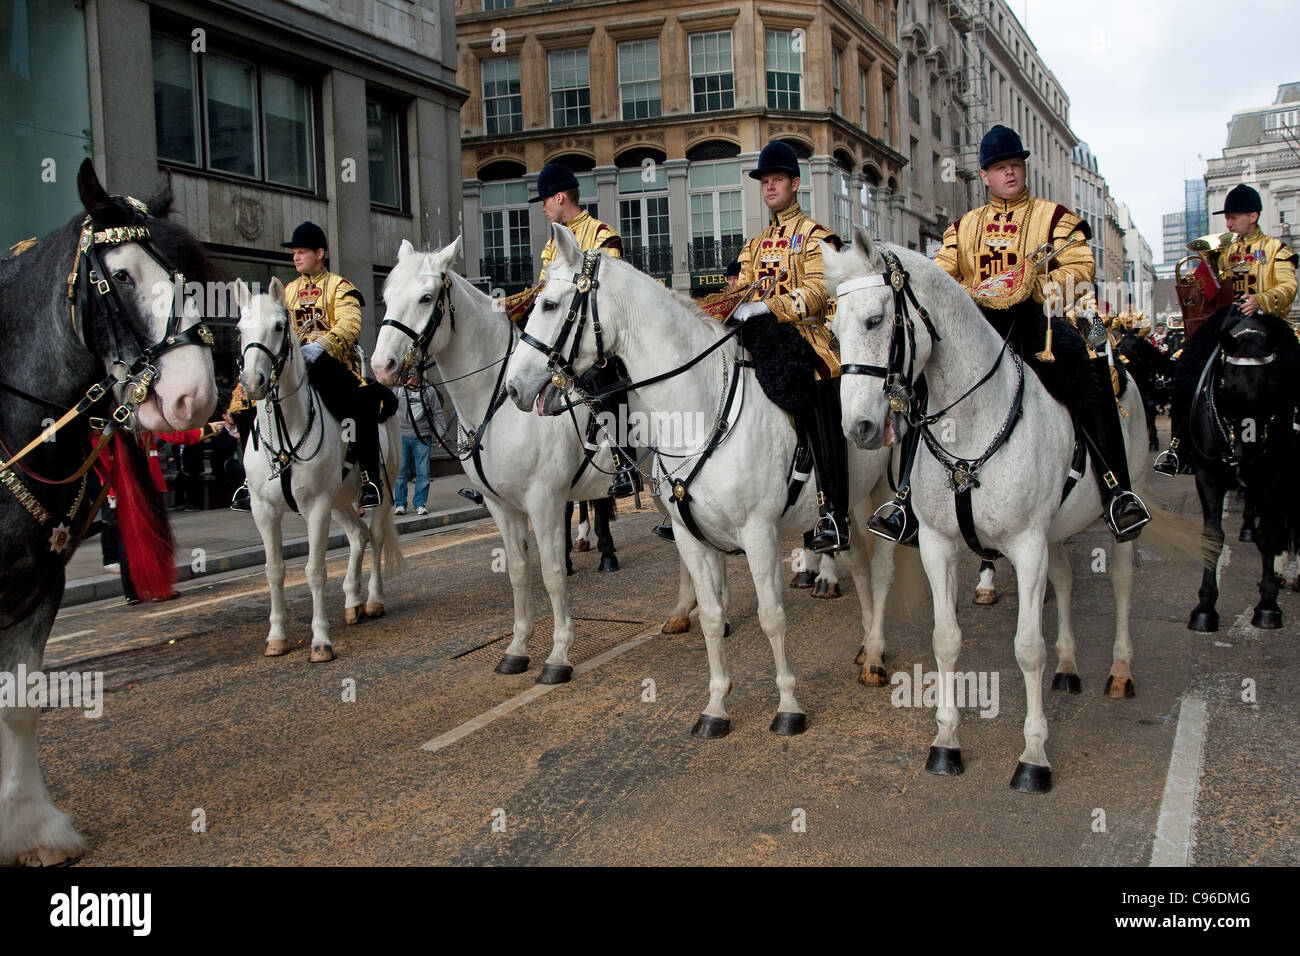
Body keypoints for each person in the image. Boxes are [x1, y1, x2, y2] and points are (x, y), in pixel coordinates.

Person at [870, 124, 1151, 547]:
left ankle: (1116, 490)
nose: (1011, 174)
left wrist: (1035, 286)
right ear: (984, 175)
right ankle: (907, 499)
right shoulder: (964, 227)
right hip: (976, 327)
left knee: (1086, 373)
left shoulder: (1054, 218)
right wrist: (972, 294)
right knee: (921, 387)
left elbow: (1079, 270)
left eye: (1016, 166)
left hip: (1038, 322)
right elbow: (942, 279)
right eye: (1001, 168)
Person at [698, 140, 849, 554]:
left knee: (820, 386)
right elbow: (741, 290)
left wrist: (768, 306)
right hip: (758, 338)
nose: (769, 186)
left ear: (795, 184)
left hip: (808, 337)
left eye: (777, 179)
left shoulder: (819, 237)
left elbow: (821, 291)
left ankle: (835, 511)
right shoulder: (754, 245)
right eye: (765, 181)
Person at [504, 163, 639, 503]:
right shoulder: (551, 246)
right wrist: (505, 307)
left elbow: (610, 289)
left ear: (560, 196)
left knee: (607, 379)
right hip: (561, 334)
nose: (543, 207)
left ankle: (625, 462)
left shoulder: (601, 235)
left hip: (599, 334)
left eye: (545, 200)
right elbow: (542, 291)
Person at [230, 221, 387, 511]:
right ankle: (247, 480)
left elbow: (350, 326)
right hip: (289, 363)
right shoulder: (286, 291)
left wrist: (320, 346)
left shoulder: (340, 287)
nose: (296, 257)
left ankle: (368, 478)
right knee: (242, 399)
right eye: (294, 253)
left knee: (361, 403)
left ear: (320, 253)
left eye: (302, 252)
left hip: (331, 362)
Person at [1154, 183, 1298, 475]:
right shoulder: (1222, 251)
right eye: (1228, 217)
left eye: (1233, 217)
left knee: (1295, 364)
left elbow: (1288, 286)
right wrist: (1200, 279)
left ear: (1253, 216)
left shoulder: (1277, 249)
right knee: (1185, 369)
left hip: (1266, 320)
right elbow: (1203, 292)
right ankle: (1181, 447)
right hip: (1227, 320)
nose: (1228, 223)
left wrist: (1261, 300)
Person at [392, 372, 445, 515]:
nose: (407, 379)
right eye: (406, 377)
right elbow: (390, 410)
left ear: (417, 377)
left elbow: (437, 413)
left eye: (410, 376)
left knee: (423, 472)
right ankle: (400, 504)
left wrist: (441, 435)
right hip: (402, 436)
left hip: (422, 437)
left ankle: (420, 504)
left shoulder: (429, 391)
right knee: (401, 472)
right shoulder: (399, 390)